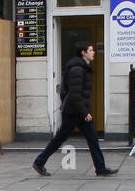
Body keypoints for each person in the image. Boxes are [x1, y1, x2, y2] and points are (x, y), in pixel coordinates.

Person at [33, 41, 117, 177]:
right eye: (90, 50)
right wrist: (85, 112)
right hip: (73, 112)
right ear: (83, 53)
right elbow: (74, 94)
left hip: (77, 110)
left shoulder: (81, 68)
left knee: (93, 138)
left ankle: (100, 168)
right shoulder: (77, 69)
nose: (93, 52)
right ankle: (39, 162)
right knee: (61, 138)